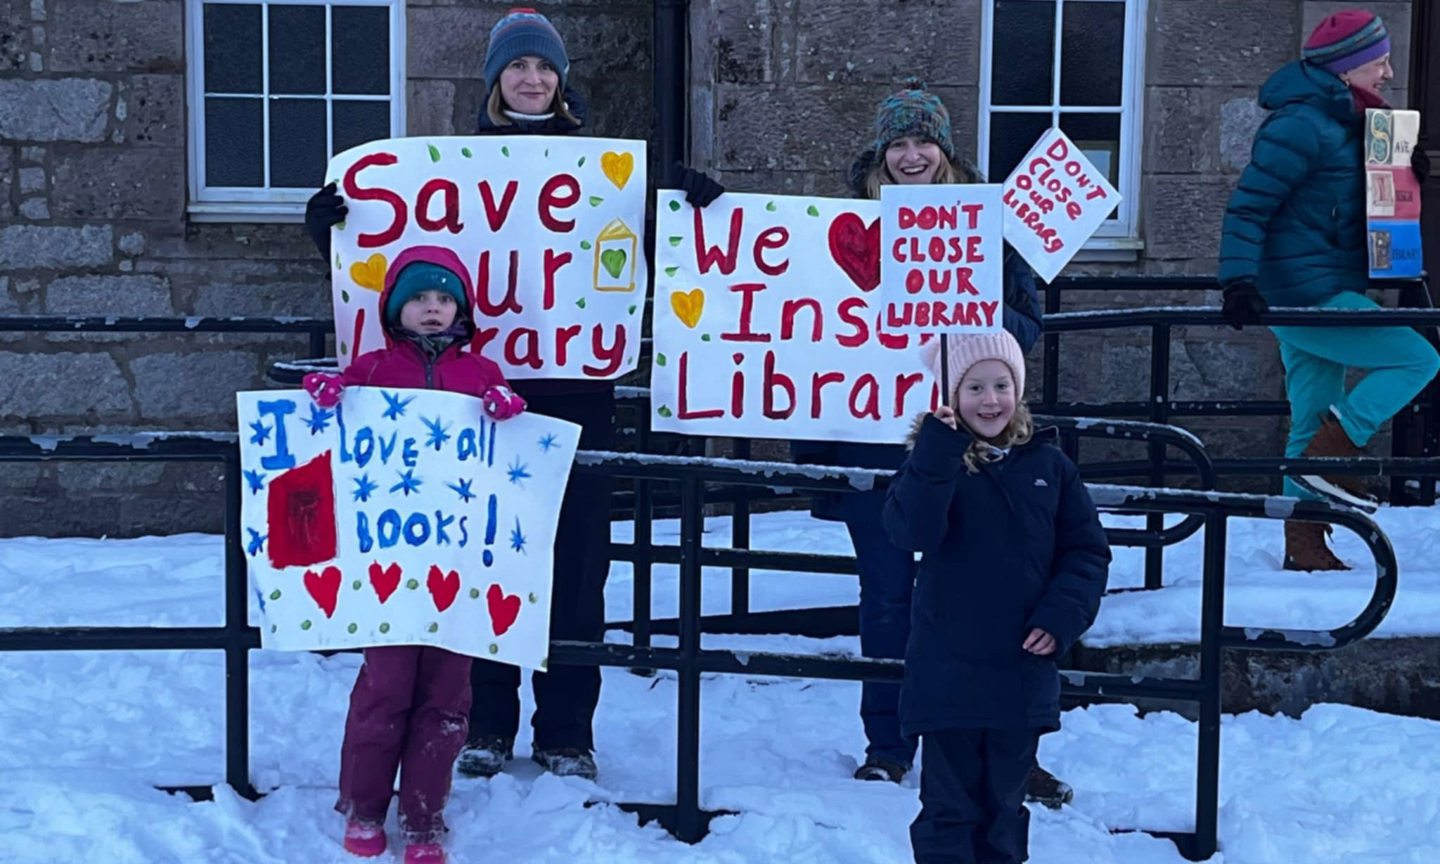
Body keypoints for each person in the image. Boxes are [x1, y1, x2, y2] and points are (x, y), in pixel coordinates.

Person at [305, 7, 617, 781]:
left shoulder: (604, 171)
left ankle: (567, 731)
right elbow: (403, 261)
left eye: (543, 67)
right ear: (494, 80)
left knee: (576, 565)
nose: (531, 79)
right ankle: (488, 722)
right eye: (517, 66)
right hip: (472, 394)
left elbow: (656, 251)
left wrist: (690, 203)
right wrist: (334, 232)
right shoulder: (449, 172)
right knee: (481, 555)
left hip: (575, 390)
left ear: (561, 79)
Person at [301, 246, 526, 864]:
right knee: (385, 688)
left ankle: (425, 817)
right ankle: (365, 806)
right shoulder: (371, 370)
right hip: (389, 566)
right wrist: (326, 395)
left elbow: (512, 452)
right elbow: (331, 422)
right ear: (395, 309)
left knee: (448, 697)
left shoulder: (481, 373)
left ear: (461, 310)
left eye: (444, 298)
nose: (432, 309)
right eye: (420, 298)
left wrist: (507, 411)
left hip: (460, 563)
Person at [1219, 9, 1440, 570]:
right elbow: (1249, 207)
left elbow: (1347, 205)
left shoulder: (1354, 121)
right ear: (1345, 69)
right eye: (1379, 62)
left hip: (1322, 284)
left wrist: (1405, 173)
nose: (1389, 72)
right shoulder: (1300, 124)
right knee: (1419, 358)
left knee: (1310, 415)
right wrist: (1237, 280)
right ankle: (1337, 450)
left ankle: (1305, 546)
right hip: (1304, 293)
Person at [883, 331, 1110, 864]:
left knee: (1004, 811)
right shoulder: (931, 464)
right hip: (947, 672)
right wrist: (937, 453)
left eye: (1001, 386)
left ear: (1018, 390)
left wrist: (1061, 616)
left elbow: (1085, 552)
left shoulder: (1050, 466)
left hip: (1020, 672)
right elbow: (910, 531)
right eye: (975, 388)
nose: (990, 401)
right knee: (948, 809)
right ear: (952, 396)